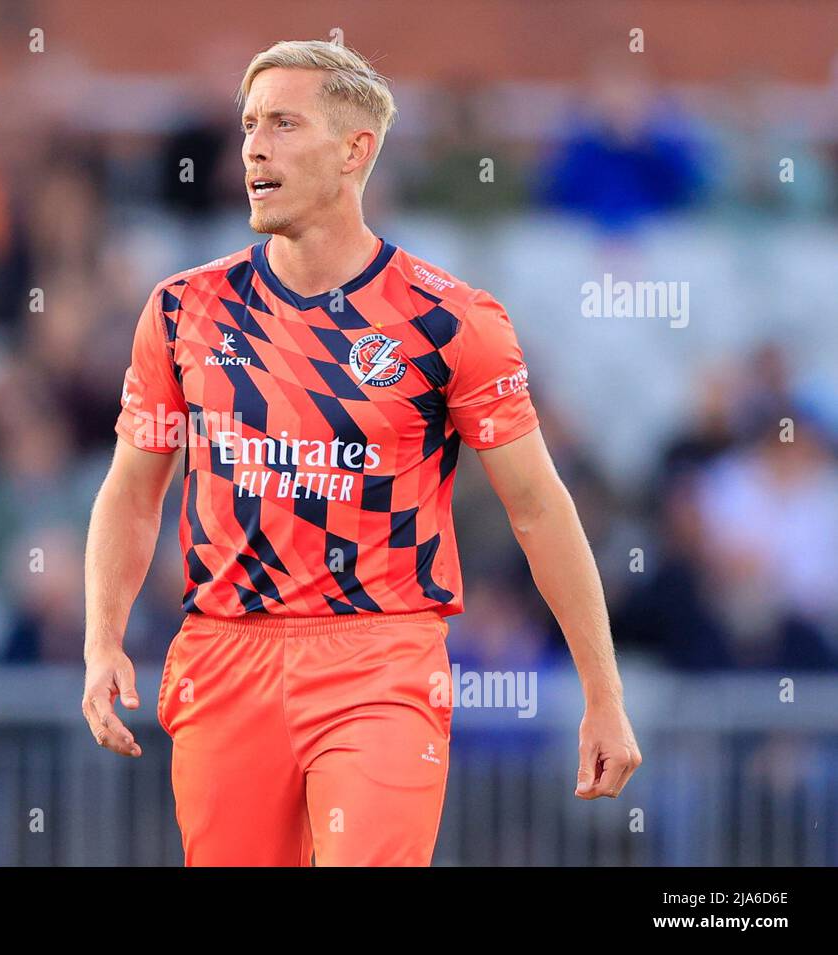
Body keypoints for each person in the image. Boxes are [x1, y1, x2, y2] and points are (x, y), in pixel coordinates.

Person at [81, 40, 640, 866]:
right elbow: (132, 492)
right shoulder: (182, 309)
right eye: (247, 128)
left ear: (355, 150)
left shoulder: (450, 320)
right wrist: (102, 643)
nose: (254, 148)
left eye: (283, 123)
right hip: (223, 655)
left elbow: (538, 507)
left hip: (379, 660)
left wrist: (603, 692)